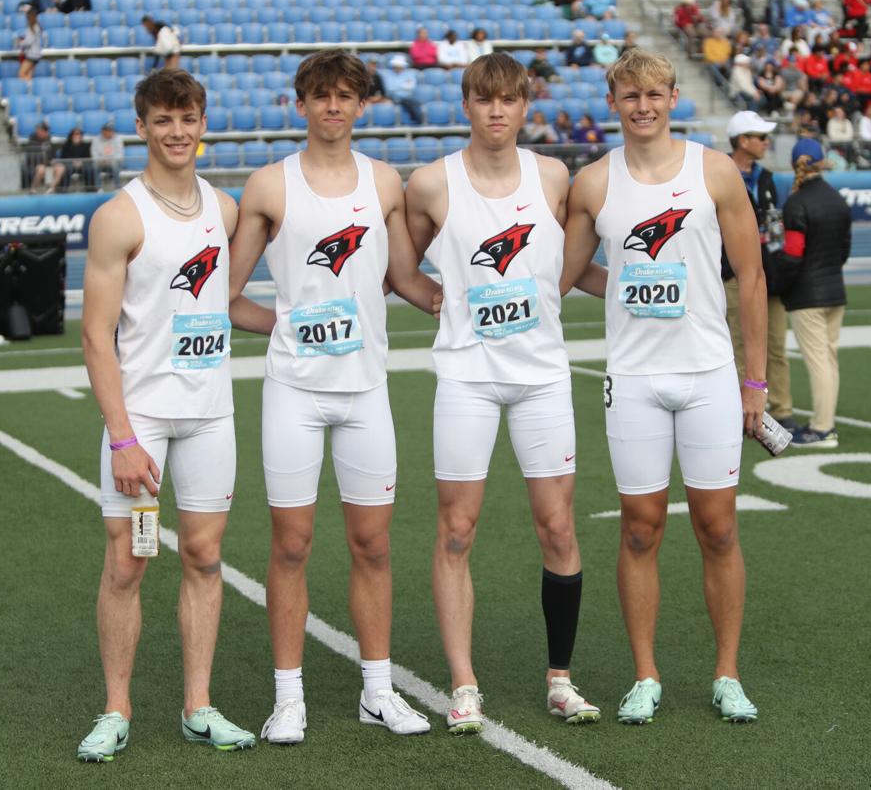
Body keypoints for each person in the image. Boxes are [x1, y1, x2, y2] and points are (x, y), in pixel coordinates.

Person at [227, 48, 440, 746]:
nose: (333, 106)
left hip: (365, 391)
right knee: (291, 544)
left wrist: (458, 303)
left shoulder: (384, 182)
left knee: (372, 544)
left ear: (362, 105)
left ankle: (378, 691)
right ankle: (288, 697)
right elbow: (227, 296)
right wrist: (284, 324)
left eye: (346, 95)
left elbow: (405, 276)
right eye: (321, 95)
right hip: (293, 391)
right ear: (302, 104)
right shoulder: (269, 185)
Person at [561, 48, 766, 725]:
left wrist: (755, 381)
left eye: (653, 94)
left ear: (673, 97)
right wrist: (621, 284)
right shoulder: (594, 182)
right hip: (635, 379)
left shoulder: (715, 171)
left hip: (708, 375)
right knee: (640, 530)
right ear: (613, 103)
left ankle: (727, 673)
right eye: (630, 96)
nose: (642, 106)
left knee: (718, 528)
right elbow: (564, 273)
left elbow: (751, 278)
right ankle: (644, 674)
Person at [405, 51, 600, 735]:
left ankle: (560, 680)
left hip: (542, 374)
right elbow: (400, 265)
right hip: (468, 375)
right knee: (457, 529)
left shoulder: (553, 176)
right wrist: (436, 298)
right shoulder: (431, 183)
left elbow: (572, 260)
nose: (496, 111)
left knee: (558, 526)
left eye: (508, 100)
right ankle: (464, 684)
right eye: (484, 100)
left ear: (524, 106)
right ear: (466, 106)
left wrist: (610, 293)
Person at [77, 68, 256, 762]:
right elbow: (96, 336)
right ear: (142, 128)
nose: (177, 132)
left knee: (205, 556)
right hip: (143, 422)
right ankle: (115, 708)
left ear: (202, 124)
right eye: (163, 120)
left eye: (187, 119)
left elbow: (226, 301)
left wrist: (289, 325)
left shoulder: (225, 209)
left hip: (210, 415)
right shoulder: (119, 217)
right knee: (130, 561)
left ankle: (198, 707)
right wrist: (122, 437)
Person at [723, 111, 795, 430]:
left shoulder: (766, 178)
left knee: (776, 344)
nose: (767, 143)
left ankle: (781, 409)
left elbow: (775, 228)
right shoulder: (719, 175)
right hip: (735, 276)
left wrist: (778, 269)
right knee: (739, 344)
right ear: (743, 141)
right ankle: (741, 411)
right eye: (761, 137)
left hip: (768, 276)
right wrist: (727, 270)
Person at [778, 138, 851, 447]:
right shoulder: (837, 199)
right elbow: (844, 250)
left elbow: (793, 254)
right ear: (823, 162)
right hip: (835, 291)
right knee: (829, 360)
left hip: (807, 296)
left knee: (819, 362)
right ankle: (825, 423)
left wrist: (778, 281)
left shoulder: (796, 203)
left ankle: (822, 428)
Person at [381, 55, 424, 125]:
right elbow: (389, 88)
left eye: (399, 65)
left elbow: (411, 87)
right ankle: (418, 120)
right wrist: (403, 86)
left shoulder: (410, 74)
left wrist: (398, 87)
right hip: (393, 97)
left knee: (414, 102)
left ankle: (418, 120)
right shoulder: (388, 75)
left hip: (406, 97)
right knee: (410, 103)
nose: (397, 67)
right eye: (396, 65)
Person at [24, 121, 65, 193]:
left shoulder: (49, 140)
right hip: (35, 164)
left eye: (45, 131)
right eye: (40, 130)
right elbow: (30, 156)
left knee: (61, 168)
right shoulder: (32, 140)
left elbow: (52, 154)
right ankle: (33, 189)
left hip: (48, 163)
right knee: (41, 169)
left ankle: (51, 188)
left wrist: (52, 161)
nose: (44, 132)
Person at [91, 122, 125, 189]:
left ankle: (117, 187)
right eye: (106, 130)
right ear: (102, 131)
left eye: (110, 130)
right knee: (94, 167)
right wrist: (101, 160)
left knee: (115, 167)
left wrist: (111, 160)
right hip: (100, 162)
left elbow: (120, 154)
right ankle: (98, 188)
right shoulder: (96, 139)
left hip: (114, 162)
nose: (108, 132)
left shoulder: (118, 139)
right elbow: (94, 153)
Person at [17, 6, 43, 81]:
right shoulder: (37, 26)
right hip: (36, 54)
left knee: (21, 75)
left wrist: (20, 43)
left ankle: (32, 85)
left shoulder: (32, 28)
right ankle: (31, 87)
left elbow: (28, 42)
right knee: (28, 75)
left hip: (32, 55)